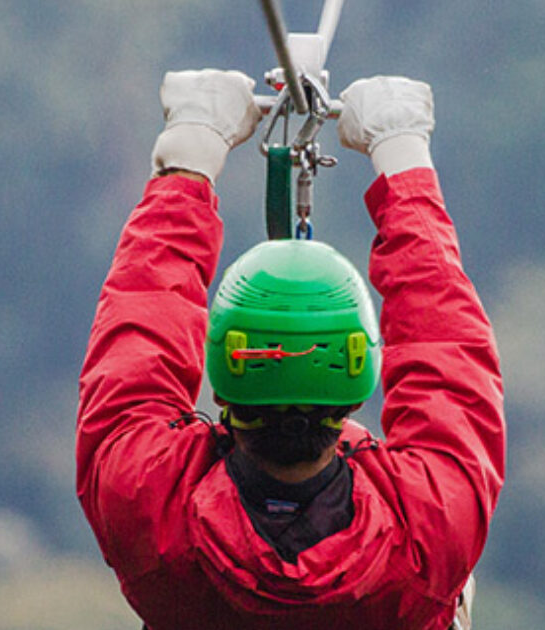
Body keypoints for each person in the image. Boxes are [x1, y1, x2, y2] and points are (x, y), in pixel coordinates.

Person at [77, 69, 505, 630]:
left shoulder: (149, 504)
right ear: (358, 373)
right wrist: (405, 163)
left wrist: (190, 152)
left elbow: (141, 325)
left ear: (224, 365)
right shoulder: (426, 531)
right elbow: (445, 347)